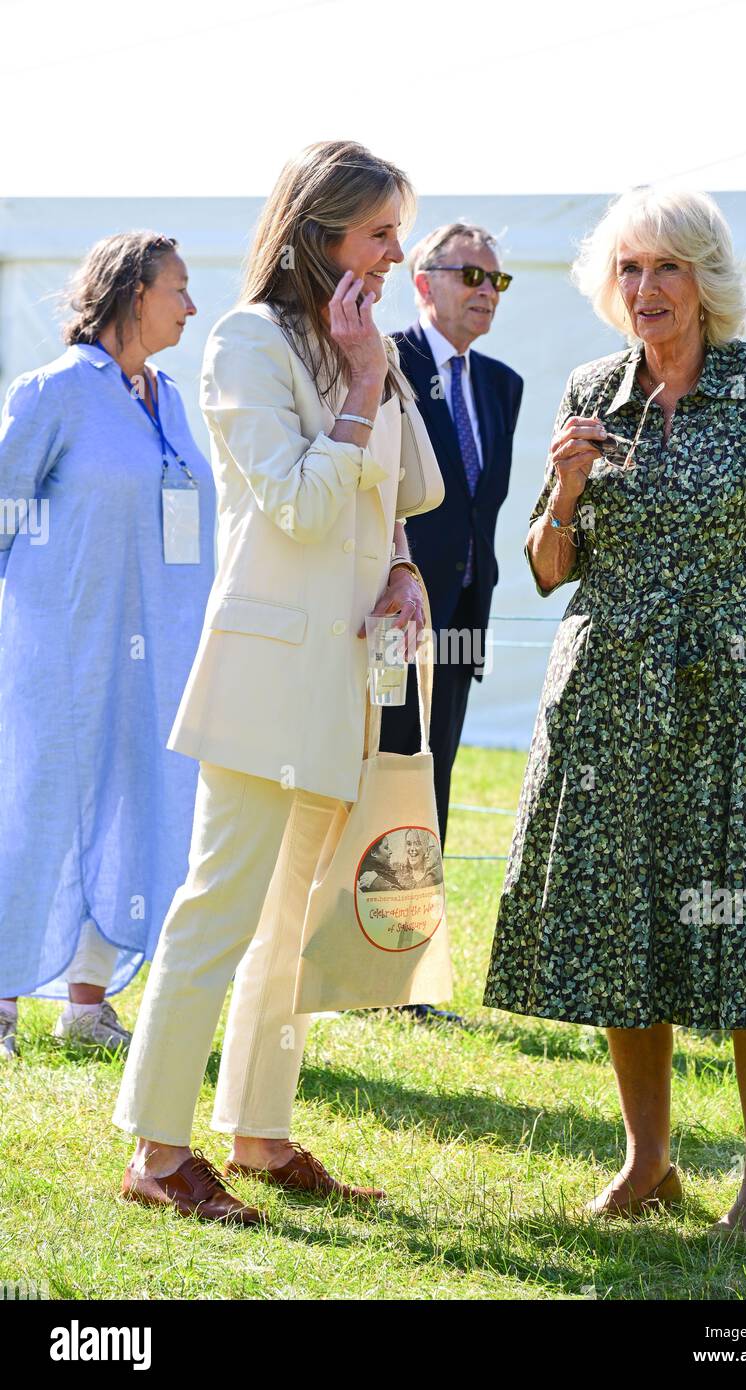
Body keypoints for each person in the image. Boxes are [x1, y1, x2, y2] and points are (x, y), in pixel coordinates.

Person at [482, 187, 746, 1237]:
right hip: (604, 700)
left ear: (705, 281)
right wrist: (562, 490)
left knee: (741, 923)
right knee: (613, 922)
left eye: (666, 269)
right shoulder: (592, 389)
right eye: (628, 270)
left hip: (730, 696)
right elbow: (548, 570)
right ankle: (648, 1161)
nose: (645, 290)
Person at [112, 141, 435, 1224]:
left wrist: (398, 568)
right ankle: (159, 1154)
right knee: (219, 912)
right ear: (319, 235)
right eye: (380, 234)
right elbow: (297, 503)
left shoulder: (368, 344)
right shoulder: (246, 343)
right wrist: (353, 383)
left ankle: (257, 1132)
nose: (398, 254)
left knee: (293, 925)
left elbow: (403, 488)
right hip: (259, 676)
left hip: (343, 675)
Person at [0, 233, 213, 1062]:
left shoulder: (170, 398)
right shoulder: (54, 390)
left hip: (154, 653)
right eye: (180, 290)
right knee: (37, 810)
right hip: (59, 648)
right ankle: (5, 1001)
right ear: (133, 294)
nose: (192, 307)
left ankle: (88, 1003)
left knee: (134, 802)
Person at [379, 223, 523, 1025]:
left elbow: (480, 511)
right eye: (470, 274)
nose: (484, 291)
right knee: (379, 780)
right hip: (388, 612)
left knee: (431, 786)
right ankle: (366, 969)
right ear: (423, 280)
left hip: (461, 623)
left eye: (497, 281)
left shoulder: (501, 385)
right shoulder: (381, 357)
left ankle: (408, 977)